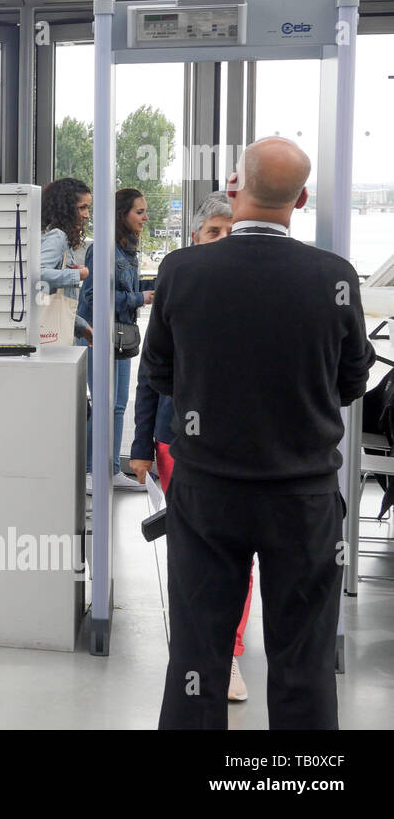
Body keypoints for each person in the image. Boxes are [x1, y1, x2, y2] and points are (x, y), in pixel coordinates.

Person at [143, 137, 375, 729]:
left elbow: (160, 372)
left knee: (198, 653)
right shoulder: (335, 276)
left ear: (233, 187)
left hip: (206, 493)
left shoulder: (182, 269)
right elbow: (353, 379)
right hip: (303, 496)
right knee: (304, 657)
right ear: (301, 198)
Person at [129, 191, 255, 703]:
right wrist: (139, 444)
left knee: (237, 552)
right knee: (189, 552)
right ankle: (195, 645)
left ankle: (227, 653)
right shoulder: (178, 286)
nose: (221, 242)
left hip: (241, 442)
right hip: (176, 439)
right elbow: (150, 374)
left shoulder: (258, 294)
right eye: (212, 233)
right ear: (196, 237)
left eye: (231, 232)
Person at [78, 188, 152, 494]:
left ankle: (110, 469)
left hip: (120, 336)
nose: (146, 218)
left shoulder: (128, 250)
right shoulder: (103, 249)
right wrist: (139, 297)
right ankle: (91, 470)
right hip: (98, 335)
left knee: (119, 405)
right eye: (139, 212)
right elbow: (93, 296)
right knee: (105, 404)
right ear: (122, 215)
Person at [39, 177, 92, 343]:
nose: (87, 215)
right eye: (82, 208)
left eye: (88, 208)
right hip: (50, 338)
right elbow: (37, 273)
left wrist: (82, 327)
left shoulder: (55, 235)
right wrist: (78, 275)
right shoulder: (58, 236)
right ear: (66, 209)